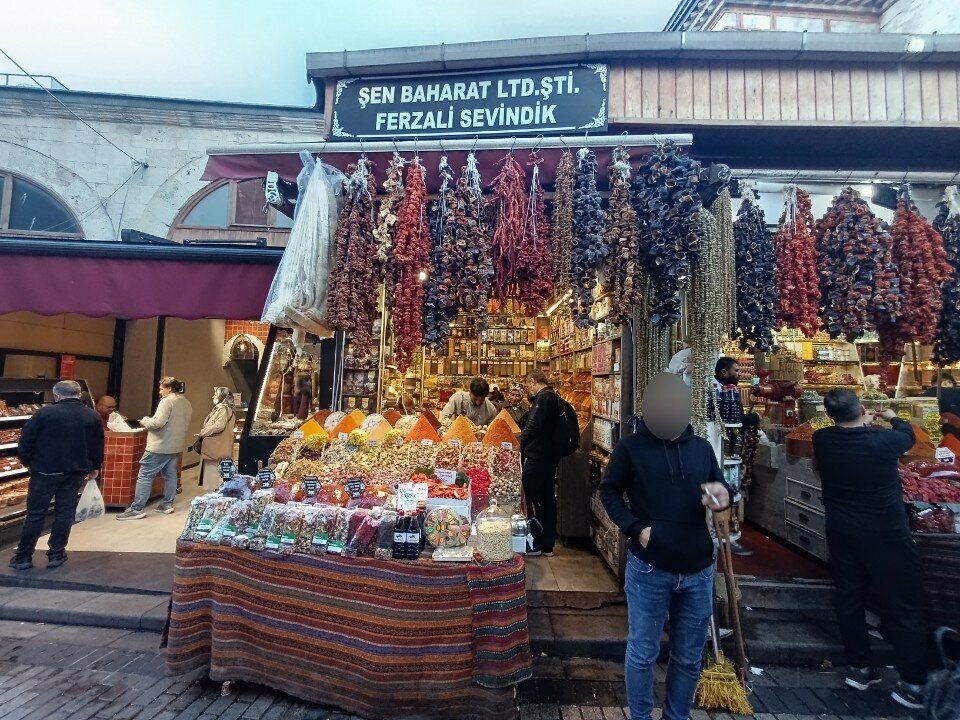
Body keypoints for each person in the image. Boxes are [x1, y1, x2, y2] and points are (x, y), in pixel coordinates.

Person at [600, 373, 730, 720]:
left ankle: (677, 716)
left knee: (689, 656)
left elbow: (718, 488)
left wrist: (721, 497)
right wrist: (636, 529)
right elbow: (609, 491)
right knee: (643, 653)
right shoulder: (631, 447)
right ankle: (641, 716)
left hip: (698, 569)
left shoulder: (701, 448)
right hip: (650, 567)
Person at [812, 389, 927, 710]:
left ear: (830, 416)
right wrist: (893, 418)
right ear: (862, 409)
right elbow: (907, 435)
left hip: (843, 533)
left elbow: (847, 430)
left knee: (849, 598)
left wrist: (861, 420)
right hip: (886, 536)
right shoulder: (882, 443)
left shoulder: (824, 440)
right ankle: (914, 682)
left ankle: (859, 668)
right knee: (903, 603)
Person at [9, 380, 104, 570]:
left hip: (44, 471)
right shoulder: (91, 416)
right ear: (78, 394)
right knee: (65, 513)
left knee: (36, 514)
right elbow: (97, 445)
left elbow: (26, 441)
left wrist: (28, 462)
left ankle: (23, 557)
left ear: (56, 395)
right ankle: (56, 554)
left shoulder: (44, 413)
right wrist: (94, 466)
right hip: (75, 472)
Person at [117, 377, 192, 520]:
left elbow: (157, 422)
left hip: (159, 446)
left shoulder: (167, 401)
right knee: (170, 475)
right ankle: (167, 504)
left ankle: (137, 508)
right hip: (175, 445)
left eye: (162, 388)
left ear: (169, 388)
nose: (160, 391)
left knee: (145, 475)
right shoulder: (185, 402)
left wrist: (145, 420)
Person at [520, 370, 564, 556]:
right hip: (547, 458)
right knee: (546, 500)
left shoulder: (543, 398)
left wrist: (518, 440)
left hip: (538, 458)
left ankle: (537, 542)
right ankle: (546, 544)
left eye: (526, 385)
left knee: (534, 498)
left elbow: (533, 427)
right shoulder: (552, 397)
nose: (527, 389)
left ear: (532, 381)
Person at [196, 387, 237, 485]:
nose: (213, 396)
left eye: (215, 394)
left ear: (221, 396)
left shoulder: (222, 409)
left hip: (216, 447)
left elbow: (219, 426)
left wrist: (203, 432)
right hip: (220, 446)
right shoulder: (227, 409)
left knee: (215, 476)